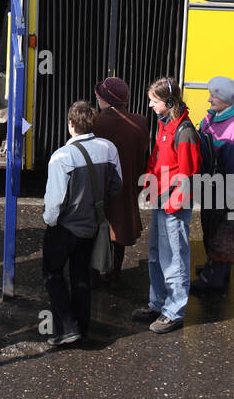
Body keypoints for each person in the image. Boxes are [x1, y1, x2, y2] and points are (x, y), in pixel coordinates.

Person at [43, 100, 123, 346]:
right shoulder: (108, 148)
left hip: (65, 228)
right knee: (81, 277)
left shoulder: (61, 157)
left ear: (71, 125)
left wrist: (49, 221)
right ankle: (82, 327)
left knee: (52, 274)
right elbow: (116, 184)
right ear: (92, 123)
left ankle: (67, 327)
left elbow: (54, 202)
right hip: (91, 224)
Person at [132, 76, 201, 334]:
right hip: (163, 199)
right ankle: (159, 303)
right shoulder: (167, 124)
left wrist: (172, 202)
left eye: (154, 101)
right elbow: (158, 159)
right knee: (157, 255)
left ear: (168, 102)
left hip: (172, 203)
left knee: (173, 258)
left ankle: (173, 311)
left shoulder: (183, 131)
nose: (150, 105)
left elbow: (187, 172)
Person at [193, 75, 234, 292]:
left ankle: (213, 281)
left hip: (223, 190)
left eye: (214, 96)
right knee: (214, 232)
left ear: (227, 100)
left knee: (218, 234)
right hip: (212, 185)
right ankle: (216, 267)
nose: (209, 100)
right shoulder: (218, 116)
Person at [92, 76, 148, 281]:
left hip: (100, 188)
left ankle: (94, 275)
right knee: (119, 231)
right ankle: (114, 273)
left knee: (97, 231)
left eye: (99, 93)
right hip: (127, 187)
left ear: (105, 98)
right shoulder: (141, 122)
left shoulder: (96, 122)